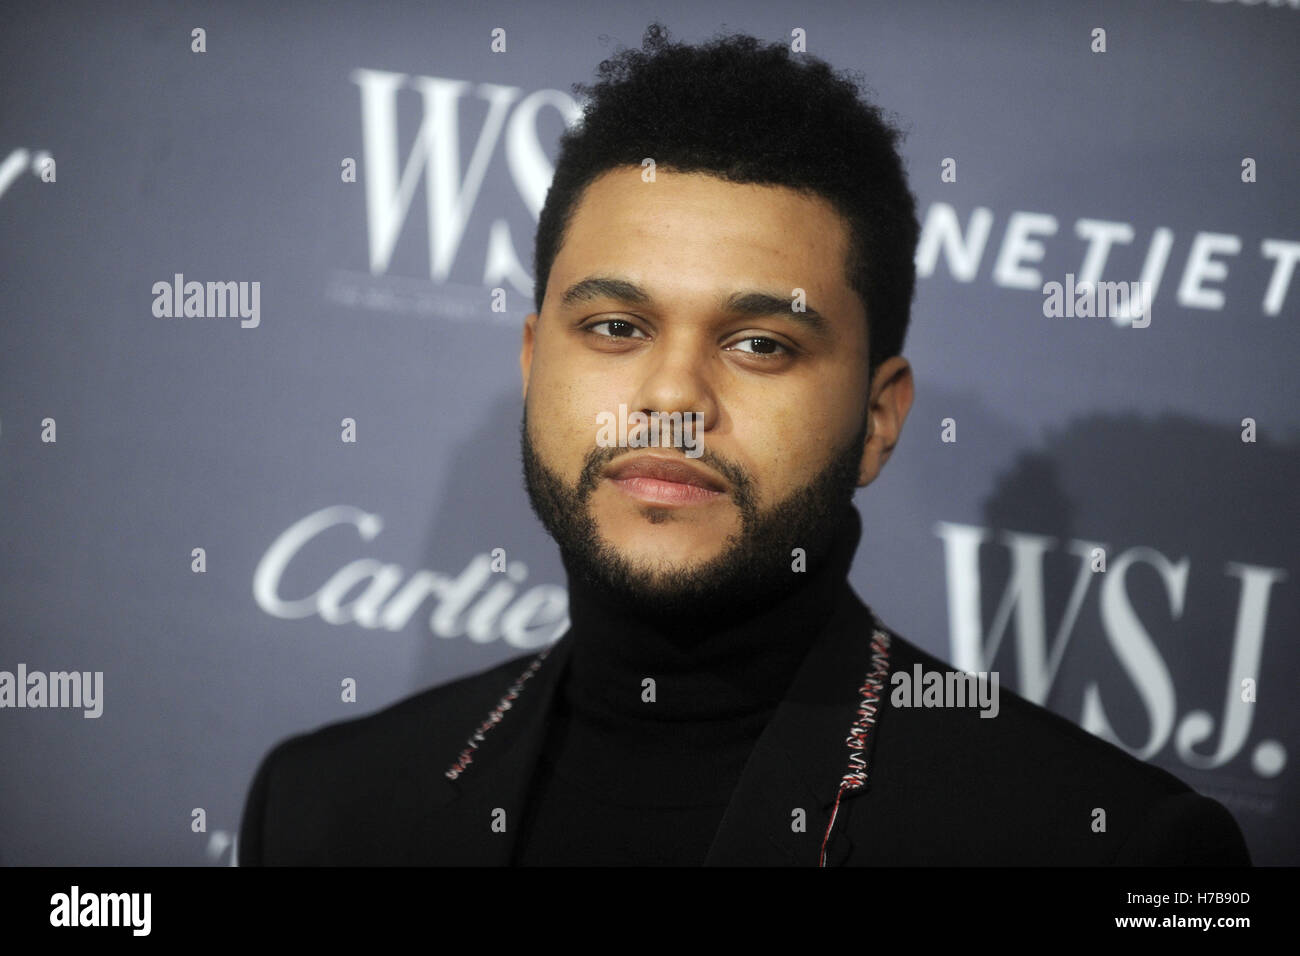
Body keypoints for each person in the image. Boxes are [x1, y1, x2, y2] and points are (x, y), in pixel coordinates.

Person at [238, 23, 1250, 866]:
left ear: (879, 418)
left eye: (761, 342)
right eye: (615, 328)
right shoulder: (324, 810)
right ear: (533, 360)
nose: (674, 396)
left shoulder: (1107, 847)